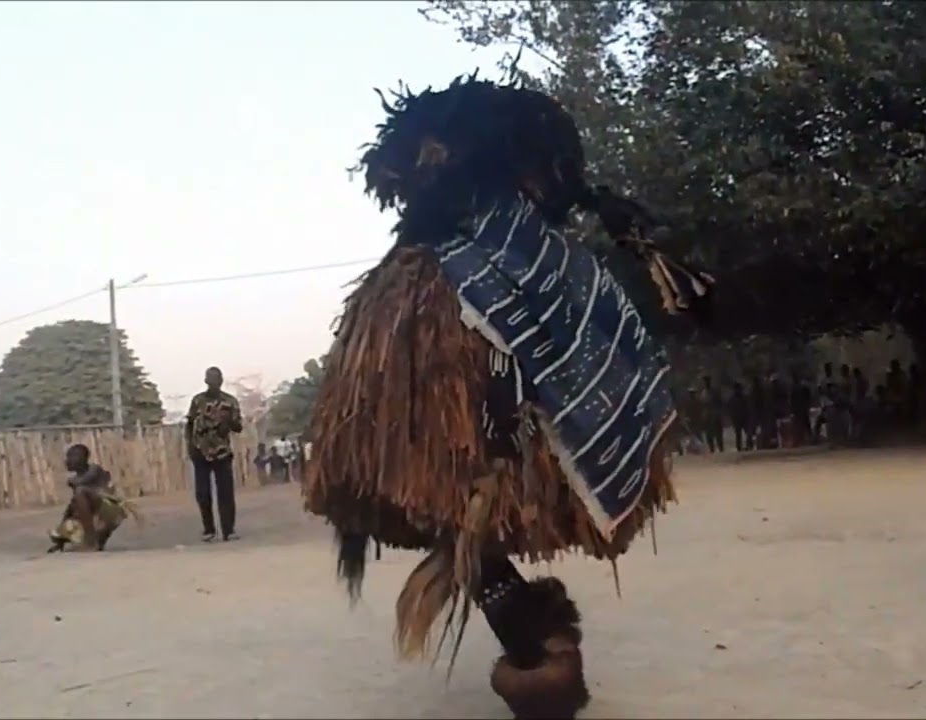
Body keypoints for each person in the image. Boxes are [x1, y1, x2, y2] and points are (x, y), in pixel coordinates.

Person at [301, 77, 714, 719]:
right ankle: (538, 647)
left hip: (489, 440)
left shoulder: (475, 276)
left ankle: (538, 649)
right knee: (462, 526)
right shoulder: (517, 270)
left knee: (465, 526)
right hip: (470, 442)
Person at [186, 366, 243, 542]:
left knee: (225, 493)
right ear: (205, 381)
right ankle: (208, 529)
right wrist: (190, 446)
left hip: (222, 452)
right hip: (200, 452)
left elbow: (239, 427)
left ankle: (228, 530)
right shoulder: (198, 401)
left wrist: (229, 424)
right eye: (210, 379)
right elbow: (189, 424)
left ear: (221, 380)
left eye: (216, 379)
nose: (213, 382)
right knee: (203, 493)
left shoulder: (230, 402)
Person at [47, 444, 138, 552]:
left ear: (80, 458)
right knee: (59, 530)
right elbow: (72, 507)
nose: (67, 461)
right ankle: (95, 541)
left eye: (70, 457)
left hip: (110, 509)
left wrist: (71, 482)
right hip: (97, 515)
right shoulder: (77, 481)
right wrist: (61, 536)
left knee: (81, 492)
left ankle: (91, 540)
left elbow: (84, 483)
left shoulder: (94, 470)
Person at [699, 376, 725, 453]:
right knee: (709, 435)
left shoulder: (715, 392)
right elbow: (702, 405)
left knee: (718, 434)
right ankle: (712, 449)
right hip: (707, 415)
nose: (706, 383)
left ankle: (721, 449)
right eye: (705, 382)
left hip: (715, 414)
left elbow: (720, 403)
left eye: (707, 381)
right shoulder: (703, 393)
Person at [728, 382, 751, 452]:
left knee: (748, 433)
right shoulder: (732, 399)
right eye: (737, 389)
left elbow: (748, 408)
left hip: (744, 418)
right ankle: (739, 448)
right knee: (738, 434)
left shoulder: (744, 398)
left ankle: (749, 445)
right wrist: (732, 418)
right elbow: (730, 410)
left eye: (739, 389)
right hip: (737, 419)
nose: (738, 390)